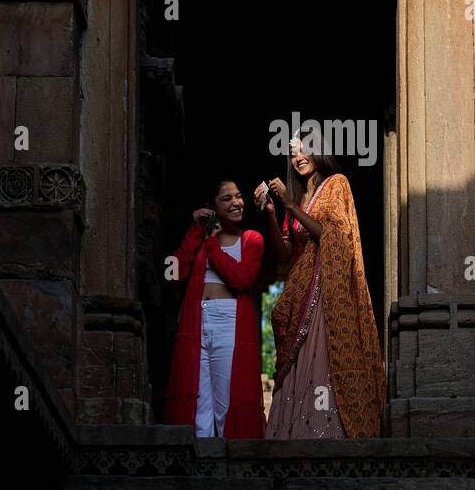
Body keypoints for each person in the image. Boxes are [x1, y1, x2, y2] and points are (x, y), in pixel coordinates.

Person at [255, 140, 385, 438]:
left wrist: (288, 205)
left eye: (303, 149)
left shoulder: (337, 184)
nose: (297, 157)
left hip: (328, 290)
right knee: (299, 362)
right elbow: (285, 256)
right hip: (301, 292)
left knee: (325, 359)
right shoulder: (298, 200)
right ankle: (293, 432)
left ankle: (326, 431)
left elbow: (333, 236)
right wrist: (272, 213)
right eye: (292, 153)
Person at [162, 180, 266, 439]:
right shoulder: (200, 238)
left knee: (226, 402)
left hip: (229, 321)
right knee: (199, 404)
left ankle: (230, 471)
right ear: (212, 208)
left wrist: (211, 246)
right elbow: (172, 272)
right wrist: (196, 231)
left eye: (239, 196)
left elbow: (241, 279)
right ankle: (202, 470)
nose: (236, 203)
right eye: (226, 198)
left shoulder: (251, 239)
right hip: (197, 321)